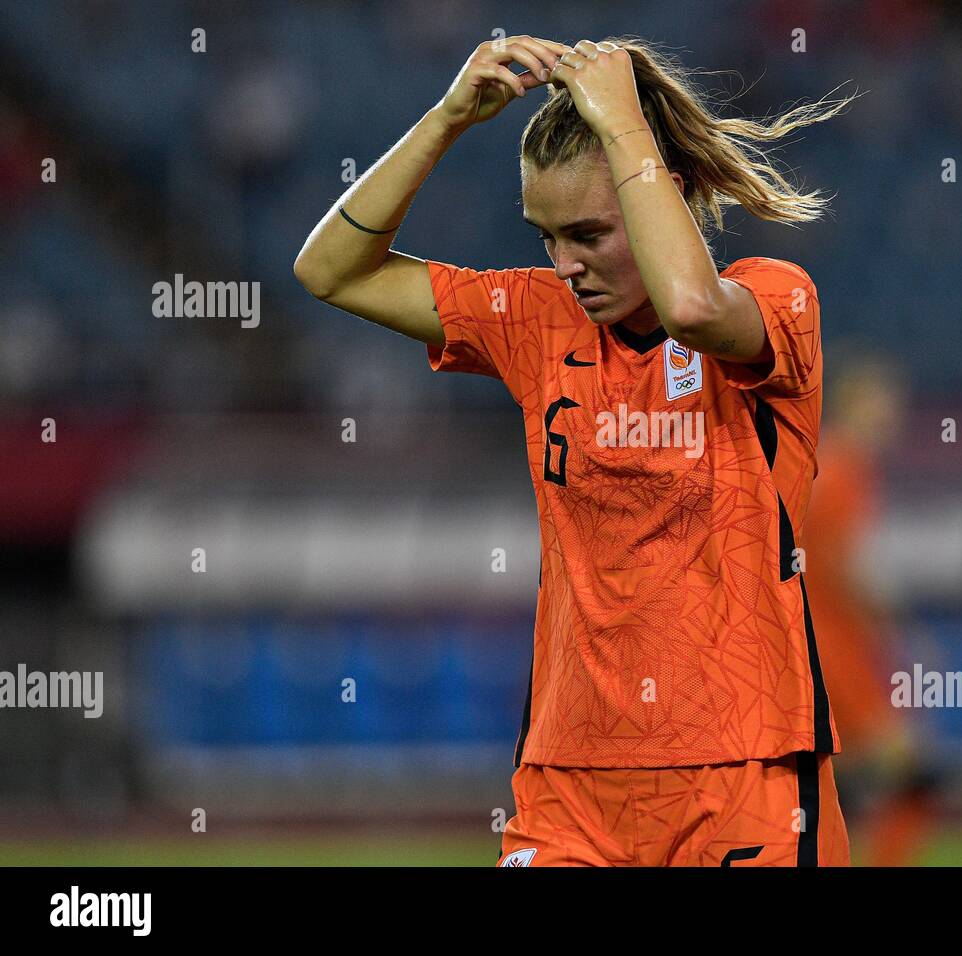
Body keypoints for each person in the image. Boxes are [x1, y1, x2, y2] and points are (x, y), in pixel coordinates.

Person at [294, 35, 861, 866]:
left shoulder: (776, 301)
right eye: (547, 236)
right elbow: (331, 272)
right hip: (570, 780)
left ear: (655, 194)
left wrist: (625, 123)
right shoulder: (536, 320)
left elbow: (694, 308)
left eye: (590, 233)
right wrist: (449, 118)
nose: (565, 265)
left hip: (745, 769)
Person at [802, 353, 937, 865]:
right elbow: (850, 565)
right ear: (855, 402)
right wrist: (903, 632)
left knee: (840, 783)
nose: (893, 415)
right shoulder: (845, 468)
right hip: (840, 649)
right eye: (884, 402)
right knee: (914, 772)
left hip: (822, 643)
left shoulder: (823, 462)